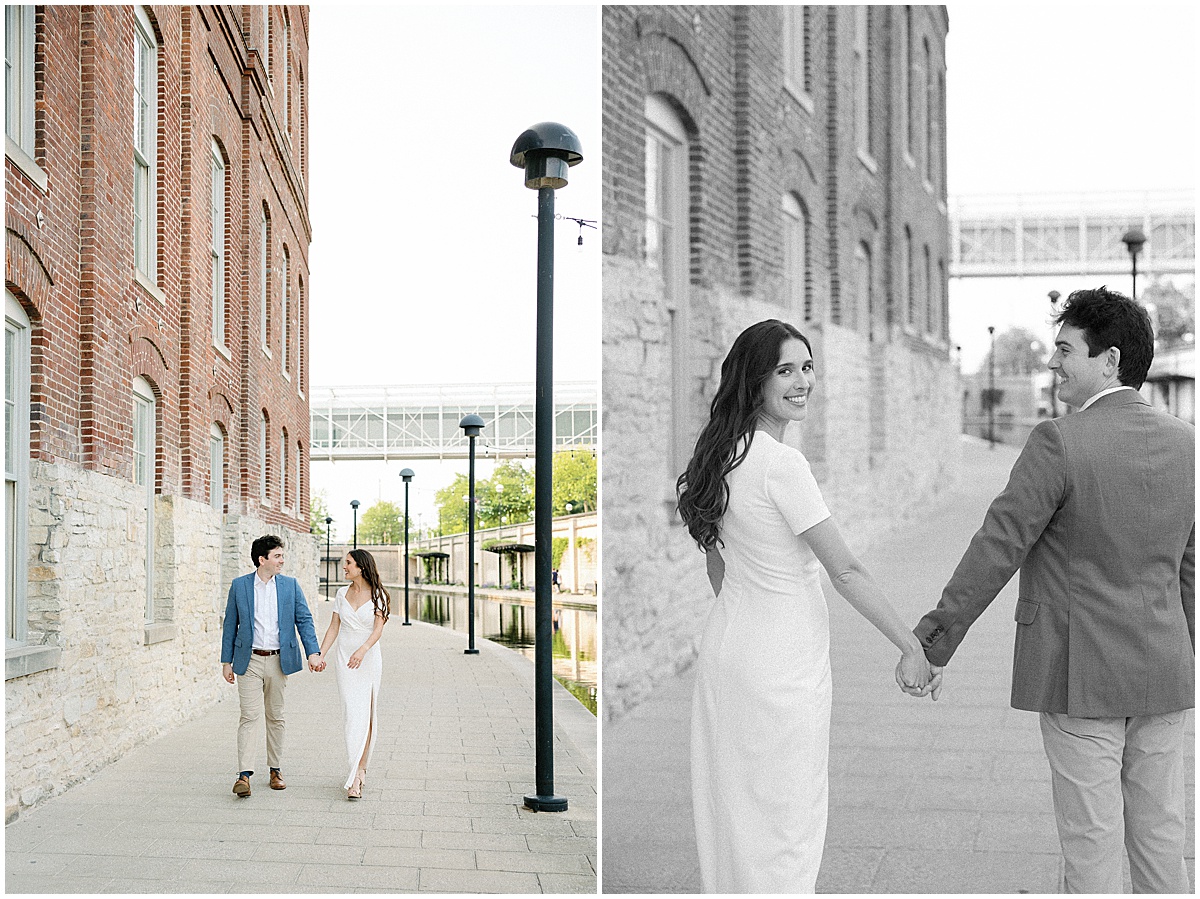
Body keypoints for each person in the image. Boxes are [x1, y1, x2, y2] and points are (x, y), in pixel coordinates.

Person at [908, 287, 1194, 893]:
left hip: (1079, 671)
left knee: (1091, 847)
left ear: (1110, 360)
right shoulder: (1186, 444)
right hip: (1165, 673)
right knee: (1162, 839)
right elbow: (1188, 565)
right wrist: (1188, 654)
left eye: (1065, 350)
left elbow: (998, 546)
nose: (1053, 363)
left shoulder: (1058, 441)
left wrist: (934, 642)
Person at [675, 319, 939, 894]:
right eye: (785, 370)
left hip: (729, 651)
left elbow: (718, 566)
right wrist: (911, 644)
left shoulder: (719, 457)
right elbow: (846, 569)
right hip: (781, 666)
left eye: (807, 367)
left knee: (735, 816)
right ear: (755, 380)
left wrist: (754, 614)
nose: (802, 382)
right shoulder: (781, 465)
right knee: (786, 823)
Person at [221, 535, 323, 798]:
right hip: (249, 660)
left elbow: (305, 620)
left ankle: (275, 769)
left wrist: (313, 652)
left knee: (275, 716)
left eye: (281, 555)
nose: (282, 560)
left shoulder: (290, 586)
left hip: (280, 660)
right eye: (277, 555)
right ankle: (244, 775)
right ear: (262, 559)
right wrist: (226, 661)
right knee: (248, 716)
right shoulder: (240, 585)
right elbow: (230, 624)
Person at [317, 549, 389, 800]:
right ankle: (355, 767)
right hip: (344, 660)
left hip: (367, 658)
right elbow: (333, 627)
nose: (343, 567)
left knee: (366, 713)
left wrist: (363, 650)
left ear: (361, 566)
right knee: (351, 713)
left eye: (347, 563)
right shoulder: (340, 593)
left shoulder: (379, 595)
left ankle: (358, 773)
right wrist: (320, 654)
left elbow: (378, 630)